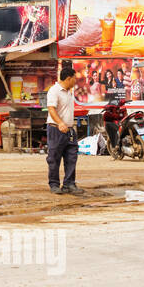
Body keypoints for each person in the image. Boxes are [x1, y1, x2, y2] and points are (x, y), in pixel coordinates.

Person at [46, 67, 83, 195]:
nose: (75, 81)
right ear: (68, 78)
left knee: (71, 157)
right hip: (56, 129)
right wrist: (60, 122)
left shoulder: (69, 92)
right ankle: (54, 184)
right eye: (74, 78)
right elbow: (51, 109)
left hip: (69, 130)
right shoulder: (54, 91)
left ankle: (69, 184)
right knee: (54, 158)